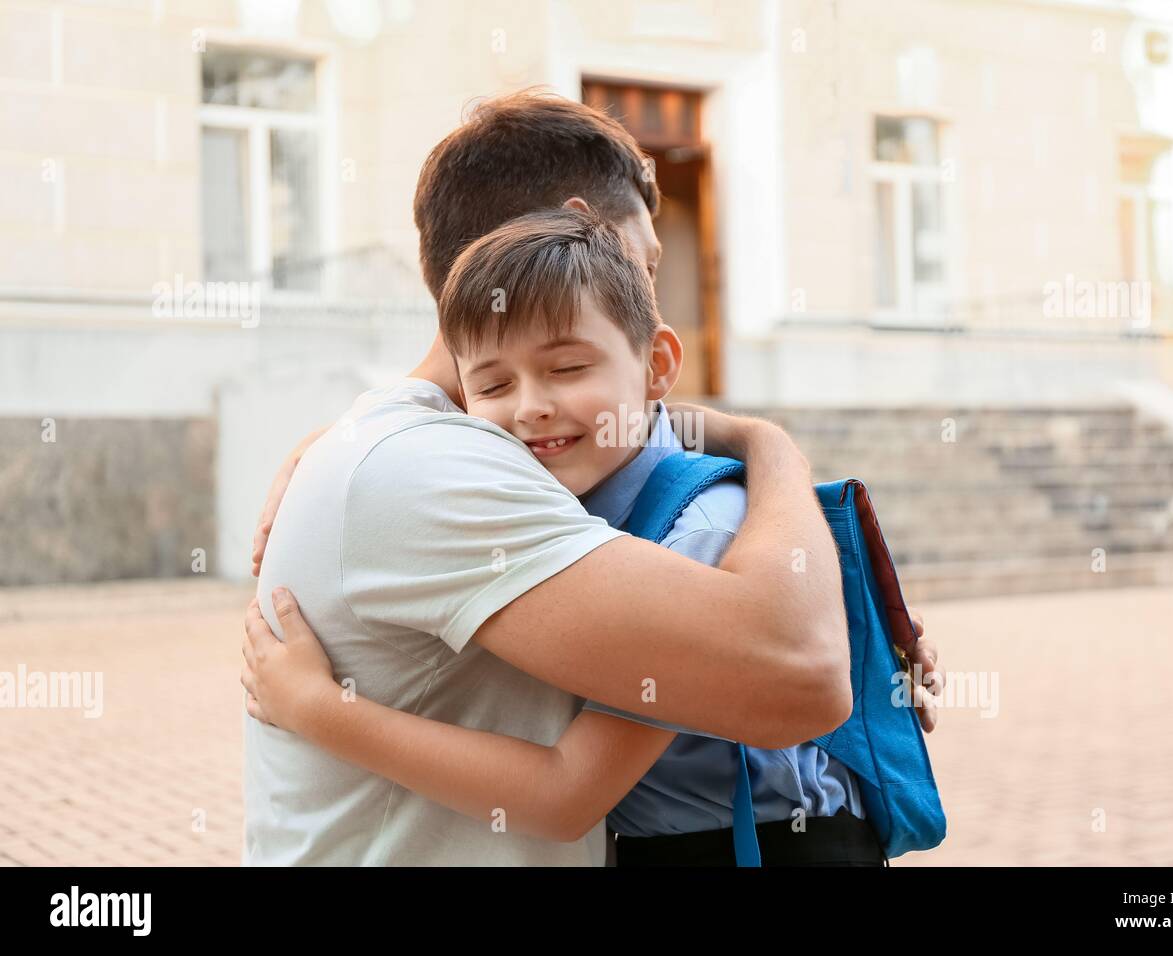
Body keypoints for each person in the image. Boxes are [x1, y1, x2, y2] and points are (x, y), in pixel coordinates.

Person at [241, 90, 942, 866]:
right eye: (643, 267)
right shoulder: (429, 467)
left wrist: (763, 453)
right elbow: (796, 675)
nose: (646, 295)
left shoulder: (431, 449)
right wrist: (773, 451)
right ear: (580, 229)